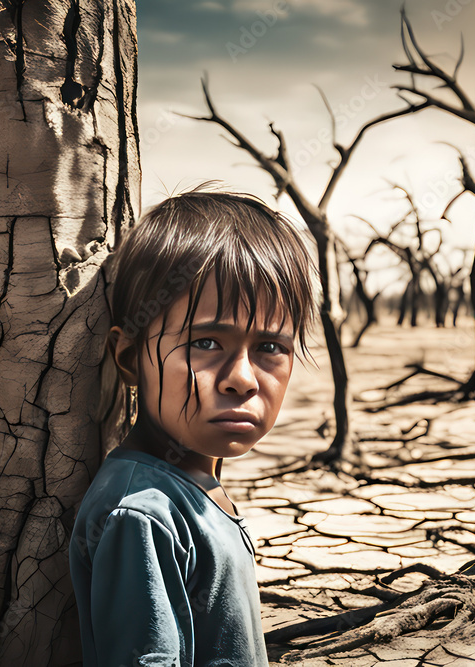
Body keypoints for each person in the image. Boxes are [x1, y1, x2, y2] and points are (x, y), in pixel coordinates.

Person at [69, 186, 316, 667]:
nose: (242, 379)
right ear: (128, 358)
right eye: (204, 342)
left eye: (269, 348)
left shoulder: (187, 482)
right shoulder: (142, 516)